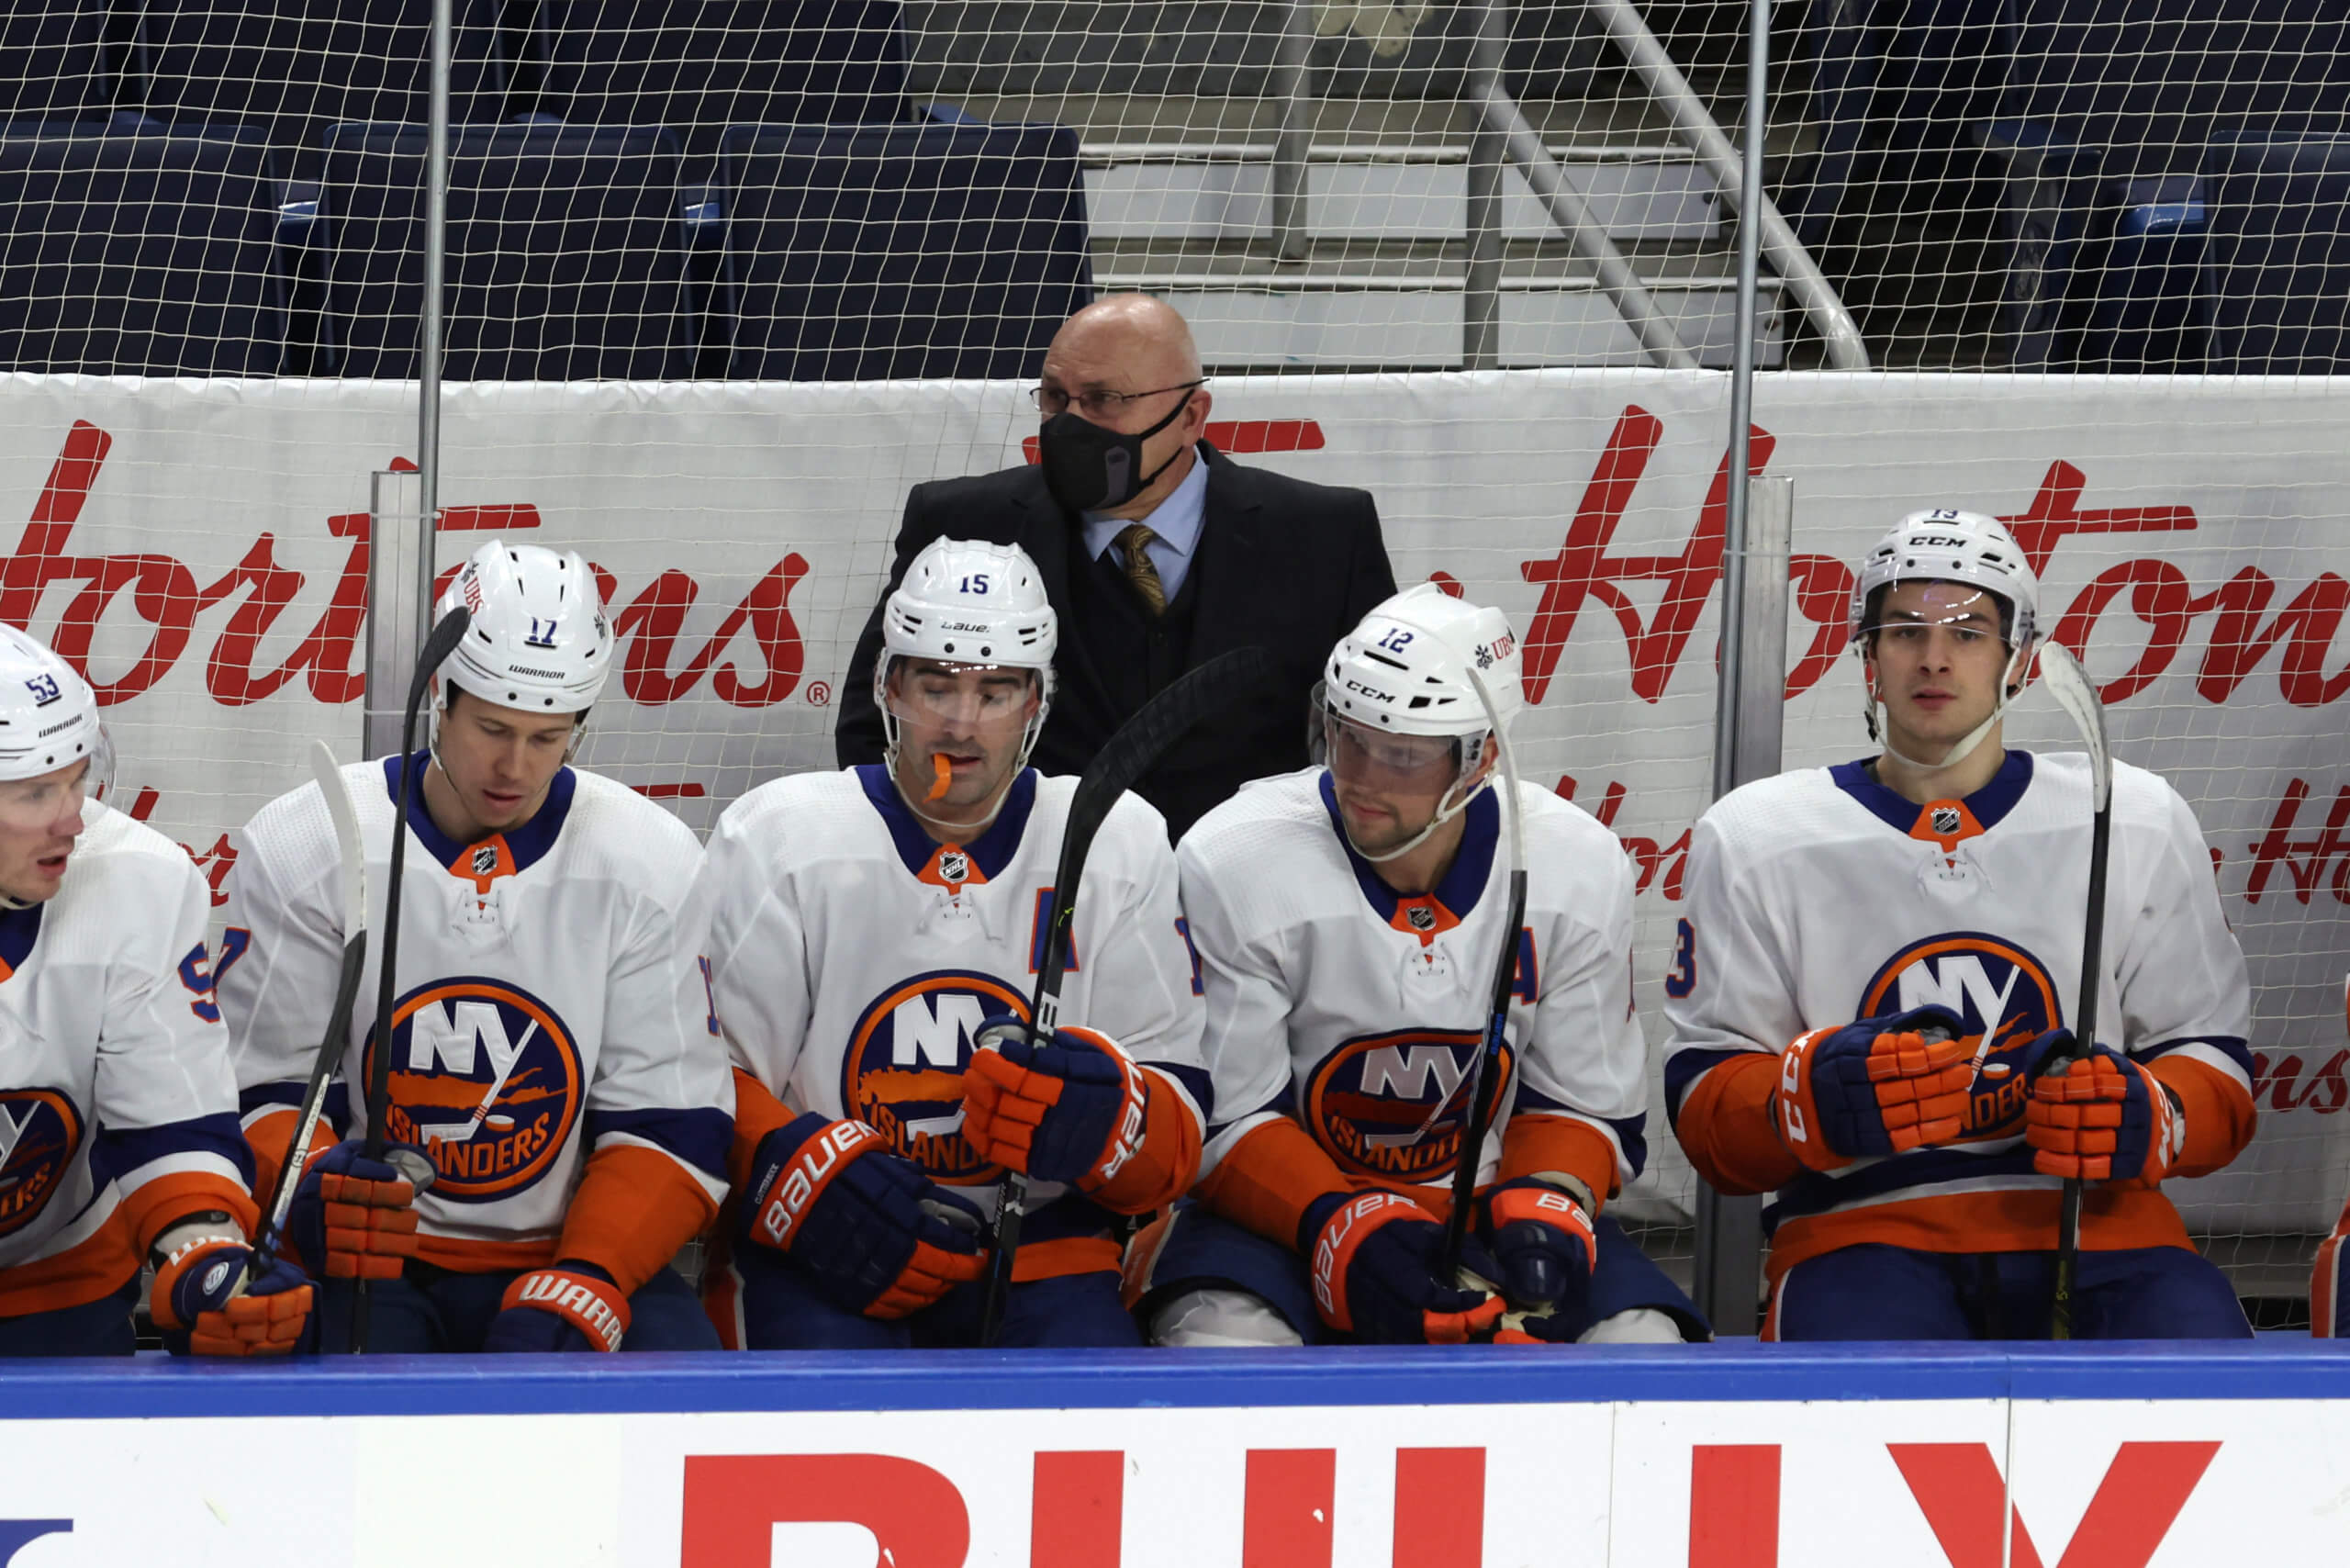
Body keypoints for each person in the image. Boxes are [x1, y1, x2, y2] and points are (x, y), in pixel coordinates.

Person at [1663, 510, 2256, 1340]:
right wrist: (1806, 1098)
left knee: (2201, 1366)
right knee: (1859, 1387)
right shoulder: (1758, 834)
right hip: (1860, 1233)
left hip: (2101, 1227)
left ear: (2019, 659)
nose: (1934, 658)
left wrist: (2157, 1113)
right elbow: (1705, 1102)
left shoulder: (2134, 814)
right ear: (1867, 656)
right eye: (1905, 630)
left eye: (1969, 633)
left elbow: (2215, 1060)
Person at [1128, 585, 1706, 1346]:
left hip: (1489, 1207)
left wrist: (1547, 1201)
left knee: (1641, 1346)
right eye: (1349, 737)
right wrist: (1342, 1223)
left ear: (1483, 757)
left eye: (1403, 754)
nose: (1363, 776)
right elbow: (1225, 1115)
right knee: (1222, 1343)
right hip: (1285, 1219)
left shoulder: (1577, 861)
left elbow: (1582, 1100)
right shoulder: (1237, 854)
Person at [218, 541, 733, 1353]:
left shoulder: (648, 857)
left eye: (548, 737)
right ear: (441, 698)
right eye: (493, 727)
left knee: (684, 1388)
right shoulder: (312, 838)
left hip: (563, 1247)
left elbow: (671, 1120)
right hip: (368, 1257)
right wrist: (317, 1191)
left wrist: (590, 1275)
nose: (514, 768)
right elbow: (257, 1089)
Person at [699, 538, 1208, 1349]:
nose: (963, 723)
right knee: (819, 1414)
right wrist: (806, 1176)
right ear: (888, 687)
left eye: (995, 690)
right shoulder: (782, 836)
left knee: (1091, 1418)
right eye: (937, 685)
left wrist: (1107, 1119)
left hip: (1043, 1253)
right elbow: (703, 1079)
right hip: (823, 1250)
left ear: (1036, 702)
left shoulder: (1115, 838)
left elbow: (1177, 1117)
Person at [835, 294, 1396, 840]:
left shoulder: (1325, 534)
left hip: (1246, 879)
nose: (1069, 423)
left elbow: (1377, 739)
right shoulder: (964, 522)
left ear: (1190, 416)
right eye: (1056, 398)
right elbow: (875, 722)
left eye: (1103, 399)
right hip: (1030, 881)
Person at [0, 625, 312, 1357]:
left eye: (77, 779)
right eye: (37, 792)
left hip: (62, 1281)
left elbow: (169, 1116)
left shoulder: (139, 878)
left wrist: (204, 1247)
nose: (72, 819)